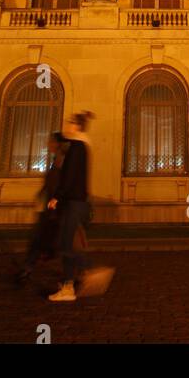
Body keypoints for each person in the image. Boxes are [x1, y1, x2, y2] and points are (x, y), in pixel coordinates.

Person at [48, 111, 114, 302]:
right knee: (66, 242)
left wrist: (56, 197)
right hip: (76, 201)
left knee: (64, 244)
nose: (66, 126)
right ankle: (68, 285)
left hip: (74, 201)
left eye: (69, 123)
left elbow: (69, 176)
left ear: (76, 126)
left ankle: (90, 268)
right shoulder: (80, 145)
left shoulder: (77, 147)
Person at [15, 132, 66, 284]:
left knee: (46, 240)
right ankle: (29, 266)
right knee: (39, 239)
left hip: (54, 207)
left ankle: (75, 273)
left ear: (58, 144)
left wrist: (54, 203)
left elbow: (59, 184)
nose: (48, 145)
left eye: (51, 142)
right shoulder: (55, 160)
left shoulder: (61, 160)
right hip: (50, 207)